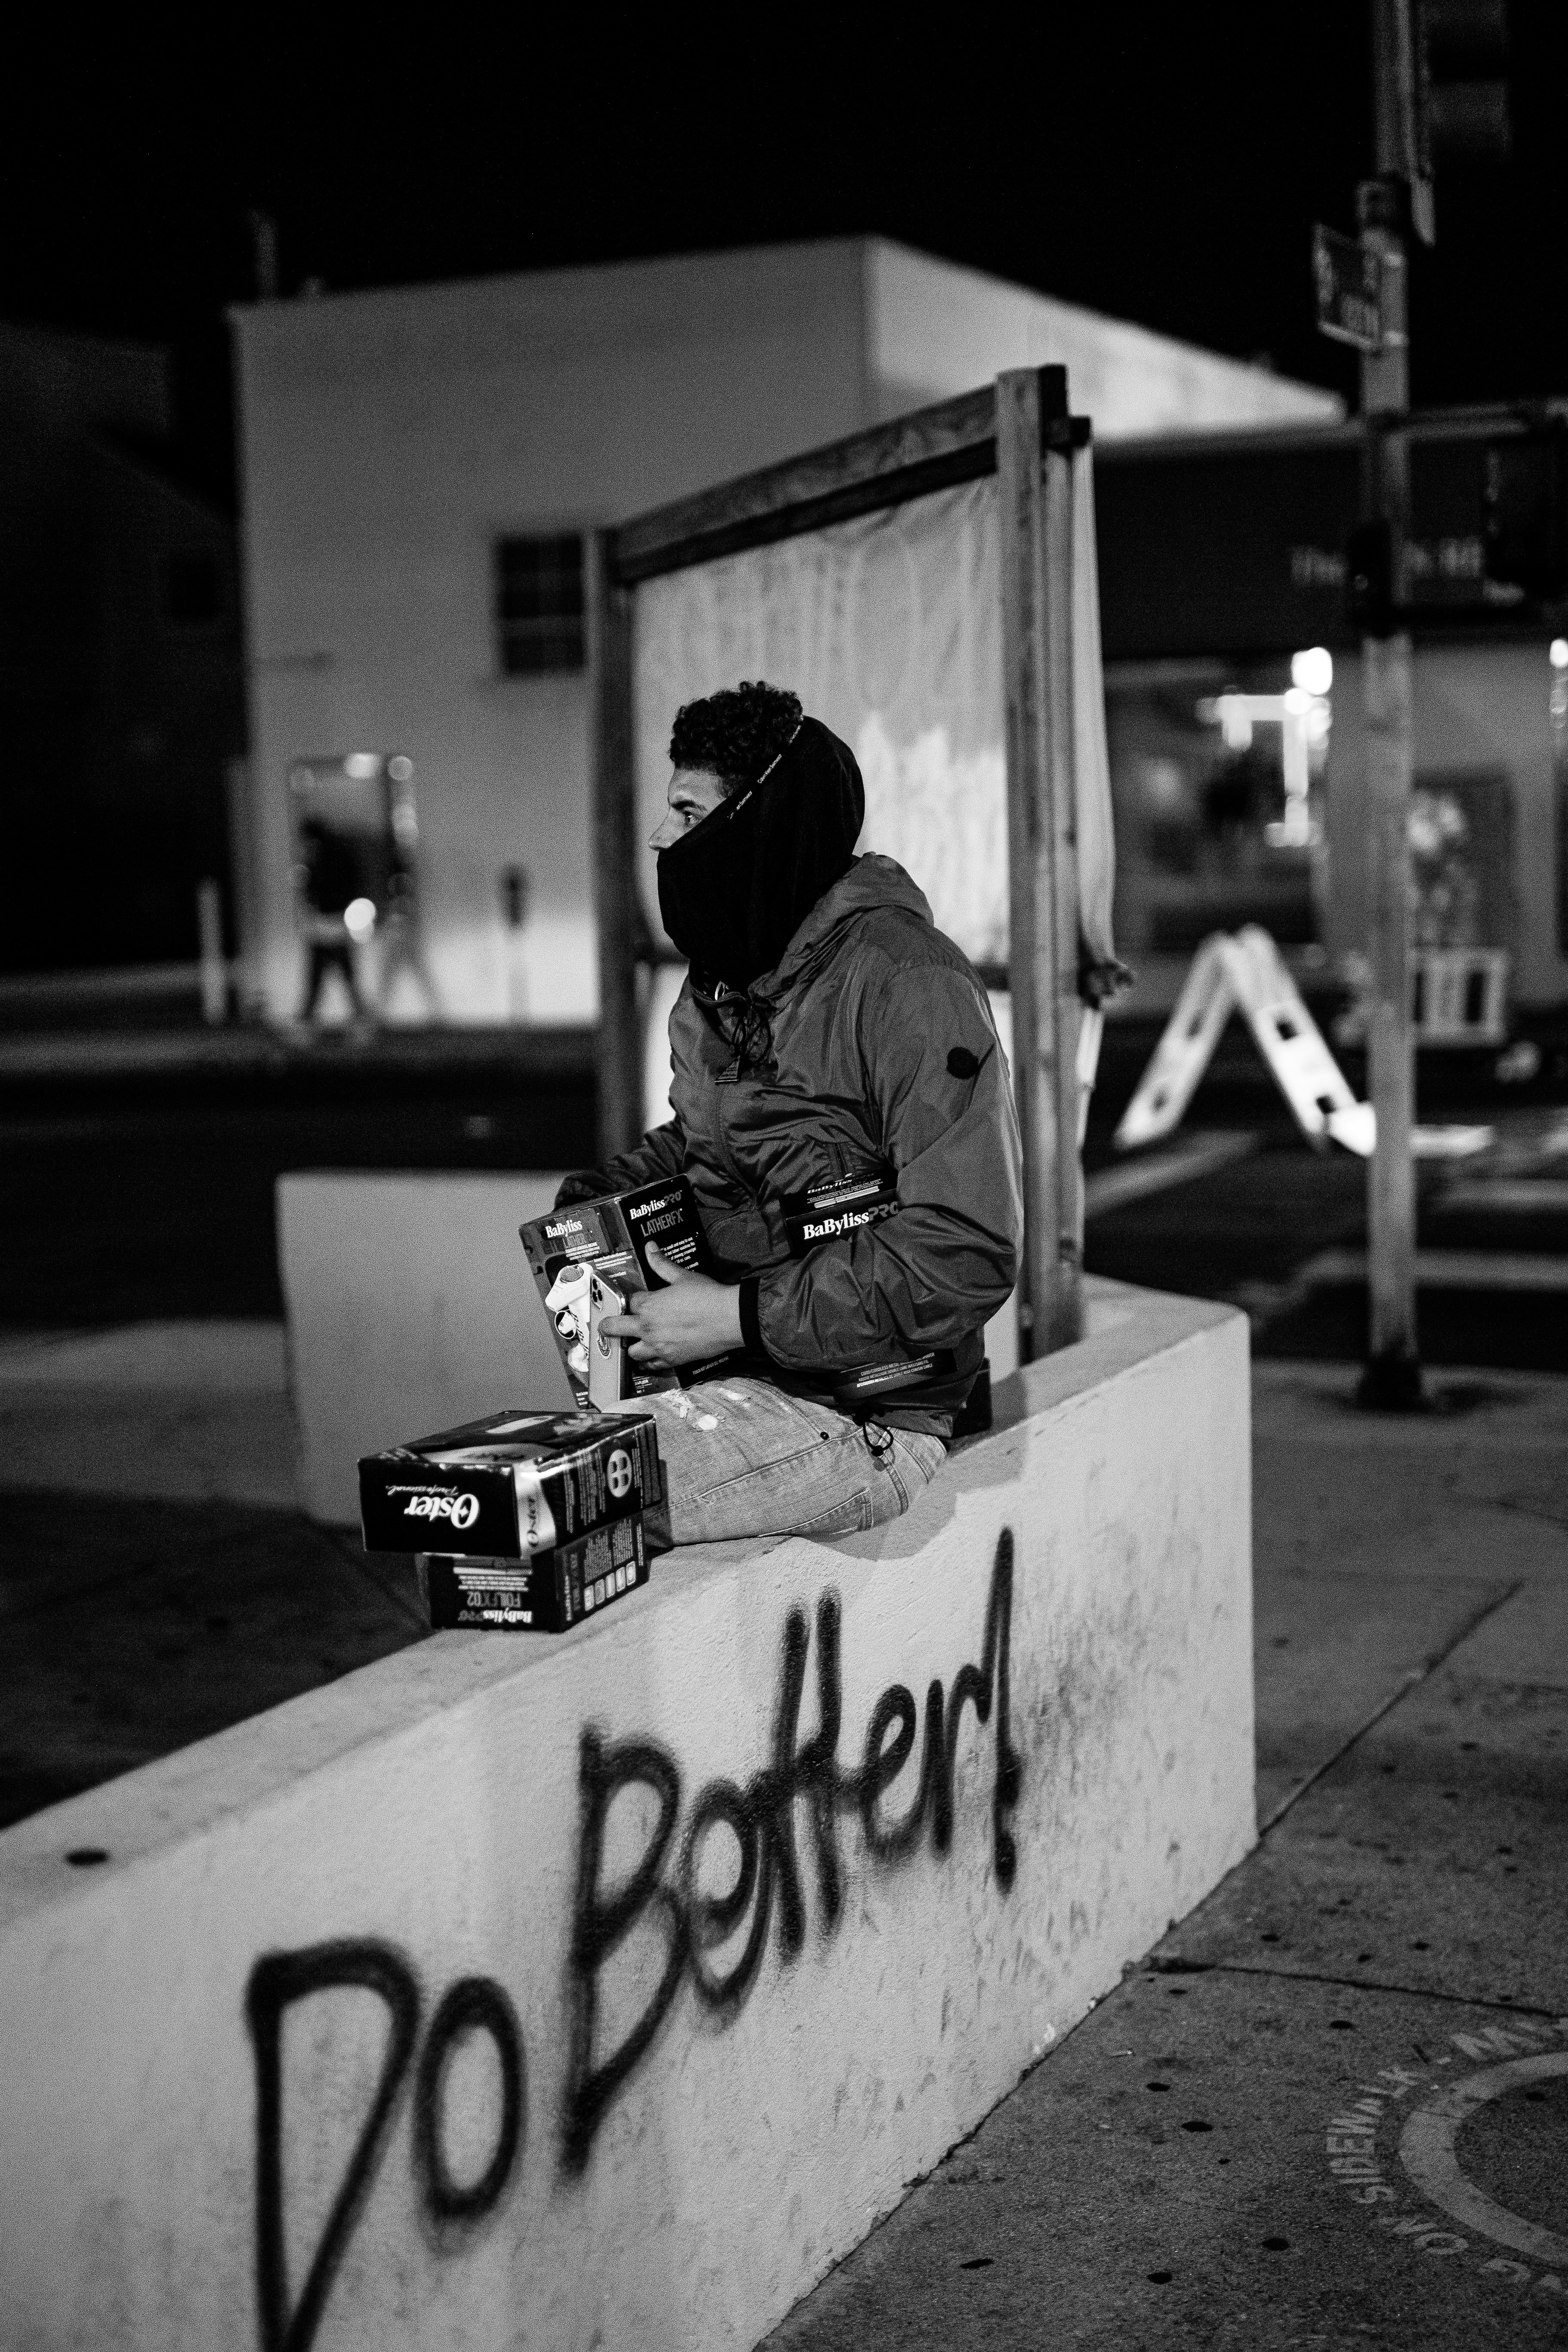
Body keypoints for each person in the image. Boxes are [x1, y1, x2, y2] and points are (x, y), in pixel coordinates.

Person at [559, 680, 1023, 1546]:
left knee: (561, 1501)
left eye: (688, 813)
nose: (660, 838)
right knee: (542, 1475)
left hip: (870, 1412)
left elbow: (966, 1246)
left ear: (760, 828)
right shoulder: (722, 982)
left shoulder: (908, 982)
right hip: (743, 1379)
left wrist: (732, 1317)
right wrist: (610, 1197)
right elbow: (720, 1143)